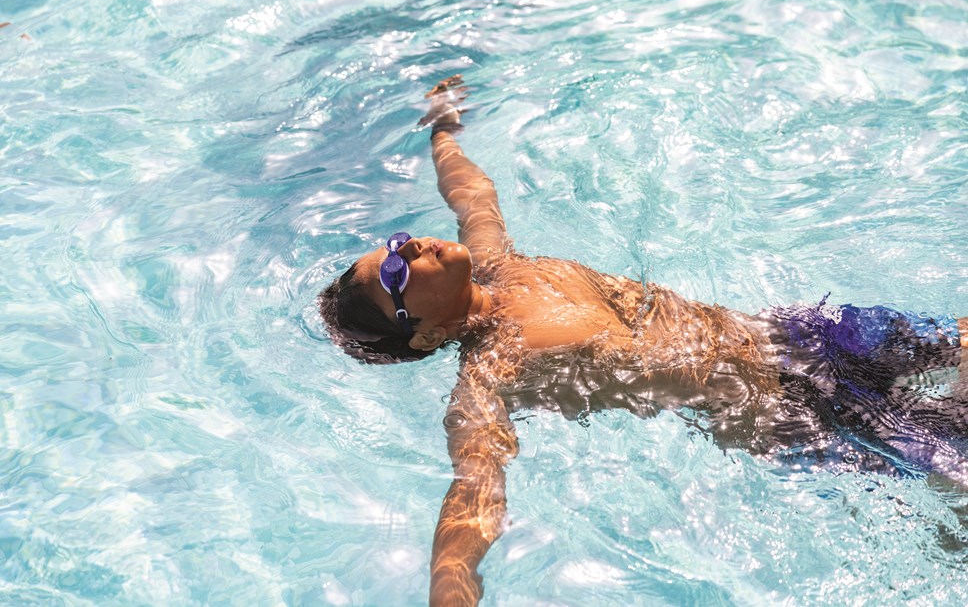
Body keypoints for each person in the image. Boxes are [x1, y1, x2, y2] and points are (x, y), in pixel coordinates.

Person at [318, 76, 968, 606]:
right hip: (788, 412)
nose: (409, 247)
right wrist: (451, 591)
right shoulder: (492, 374)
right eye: (396, 273)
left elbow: (472, 194)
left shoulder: (499, 265)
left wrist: (442, 128)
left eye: (395, 244)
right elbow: (471, 498)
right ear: (424, 335)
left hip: (792, 332)